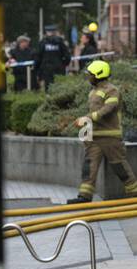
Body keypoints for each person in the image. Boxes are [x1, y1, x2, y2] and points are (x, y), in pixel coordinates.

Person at [68, 59, 137, 203]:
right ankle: (84, 196)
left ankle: (134, 194)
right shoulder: (93, 91)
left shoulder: (112, 90)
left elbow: (107, 109)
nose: (89, 77)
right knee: (89, 166)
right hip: (94, 137)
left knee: (119, 166)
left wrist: (87, 118)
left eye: (91, 75)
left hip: (110, 137)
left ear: (99, 74)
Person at [35, 24, 70, 90]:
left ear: (46, 32)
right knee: (60, 87)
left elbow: (38, 57)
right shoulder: (60, 42)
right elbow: (67, 56)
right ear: (55, 32)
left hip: (47, 70)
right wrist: (63, 64)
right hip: (59, 69)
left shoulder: (43, 43)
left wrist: (37, 70)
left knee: (48, 88)